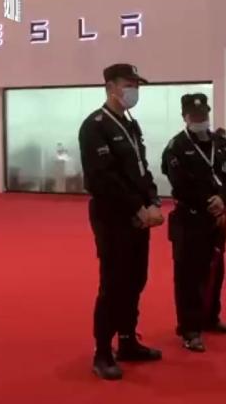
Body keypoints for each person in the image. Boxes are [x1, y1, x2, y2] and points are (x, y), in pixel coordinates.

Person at [78, 63, 164, 381]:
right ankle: (102, 351)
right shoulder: (95, 126)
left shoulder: (130, 124)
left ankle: (127, 340)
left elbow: (141, 169)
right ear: (111, 86)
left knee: (135, 280)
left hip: (139, 217)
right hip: (112, 216)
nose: (133, 90)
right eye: (129, 84)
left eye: (136, 85)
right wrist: (137, 208)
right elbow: (103, 179)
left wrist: (153, 201)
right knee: (113, 283)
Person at [162, 93, 226, 353]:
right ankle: (189, 328)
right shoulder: (176, 147)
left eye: (203, 115)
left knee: (216, 269)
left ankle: (210, 316)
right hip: (190, 218)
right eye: (194, 116)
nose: (200, 119)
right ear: (185, 117)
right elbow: (180, 184)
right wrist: (209, 201)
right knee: (188, 275)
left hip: (217, 218)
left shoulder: (221, 144)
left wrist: (223, 198)